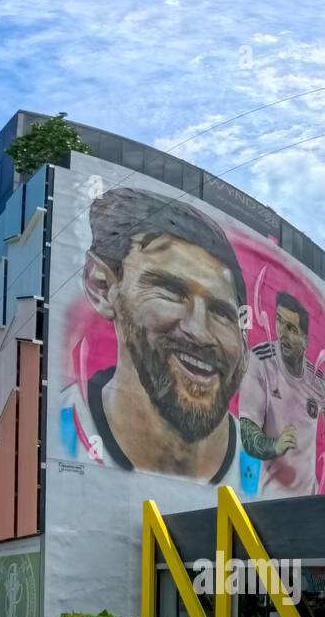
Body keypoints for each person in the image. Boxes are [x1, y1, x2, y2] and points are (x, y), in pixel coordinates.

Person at [59, 186, 247, 482]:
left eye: (221, 312)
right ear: (102, 287)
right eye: (171, 291)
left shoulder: (265, 472)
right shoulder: (54, 435)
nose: (199, 332)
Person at [237, 292, 325, 497]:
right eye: (279, 321)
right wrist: (275, 445)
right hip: (270, 500)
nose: (282, 333)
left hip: (309, 498)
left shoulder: (318, 381)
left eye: (291, 329)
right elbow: (248, 434)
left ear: (305, 340)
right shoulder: (260, 361)